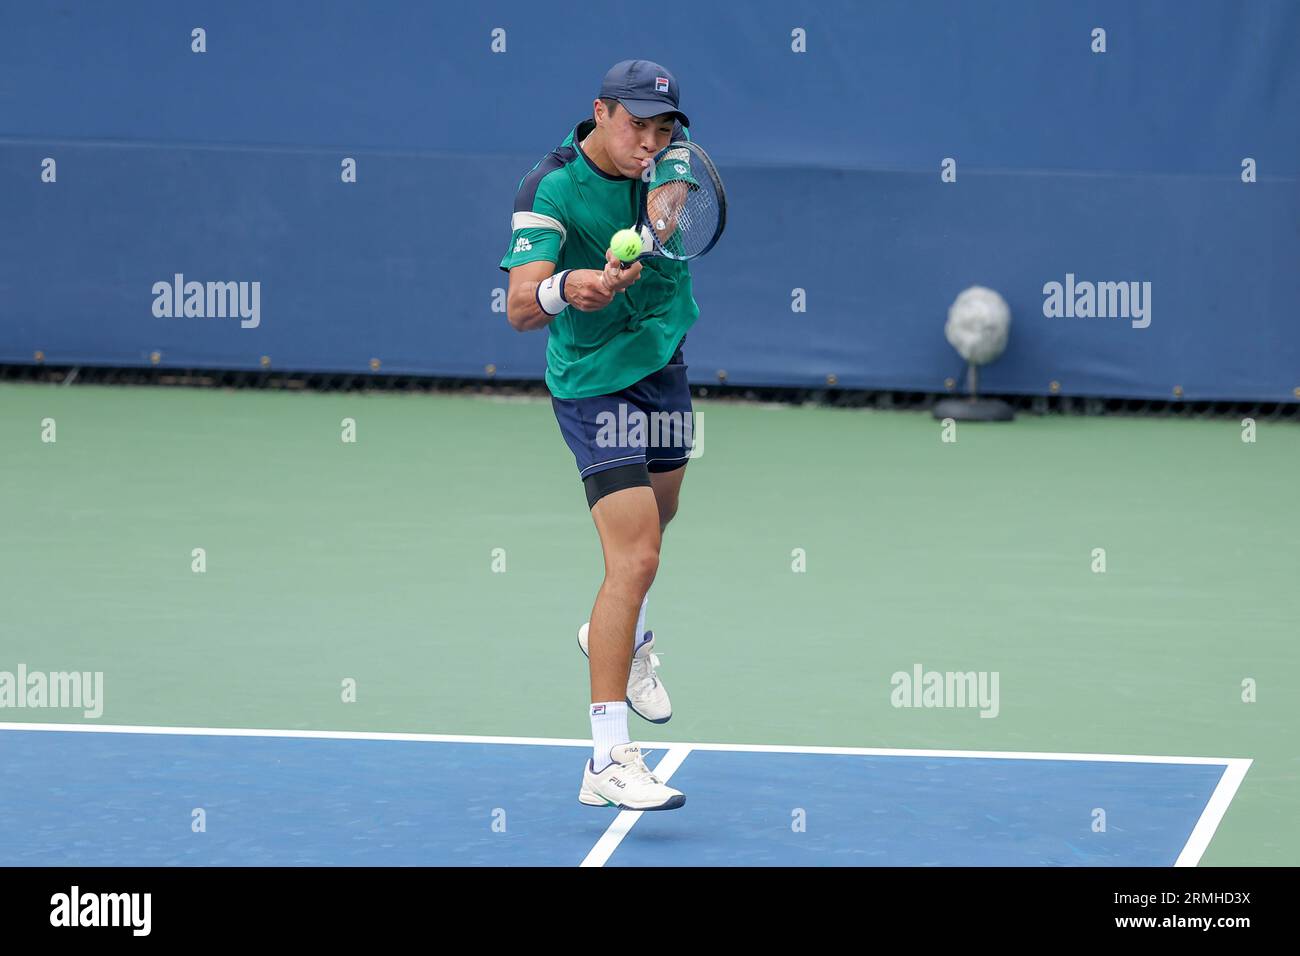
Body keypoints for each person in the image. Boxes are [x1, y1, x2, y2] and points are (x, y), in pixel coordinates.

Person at [498, 60, 699, 811]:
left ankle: (617, 635)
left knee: (664, 513)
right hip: (596, 379)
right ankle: (608, 757)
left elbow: (673, 197)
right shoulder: (548, 189)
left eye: (662, 126)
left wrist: (643, 236)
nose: (650, 142)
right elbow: (521, 307)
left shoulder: (670, 152)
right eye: (635, 125)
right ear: (600, 113)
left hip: (664, 354)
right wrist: (566, 287)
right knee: (636, 554)